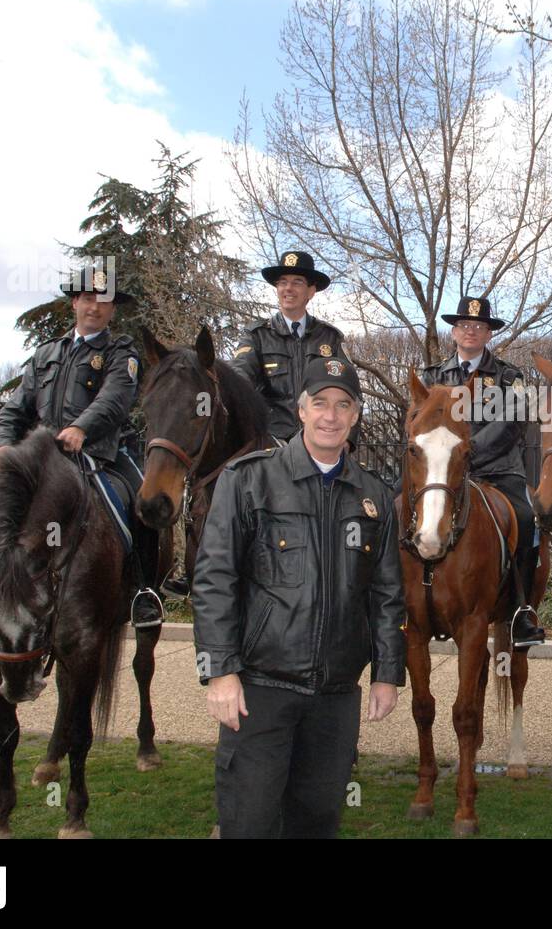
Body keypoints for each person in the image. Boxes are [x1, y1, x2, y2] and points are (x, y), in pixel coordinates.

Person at [193, 355, 406, 839]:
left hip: (334, 697)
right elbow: (215, 577)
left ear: (355, 416)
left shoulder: (373, 496)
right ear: (302, 409)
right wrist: (220, 671)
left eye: (343, 405)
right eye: (321, 404)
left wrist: (387, 674)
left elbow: (387, 592)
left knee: (316, 822)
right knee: (250, 820)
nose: (331, 415)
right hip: (260, 690)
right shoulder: (249, 480)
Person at [0, 266, 164, 627]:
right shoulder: (45, 354)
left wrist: (81, 428)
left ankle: (143, 591)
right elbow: (15, 408)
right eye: (88, 299)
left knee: (142, 503)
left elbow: (115, 398)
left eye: (104, 301)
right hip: (38, 460)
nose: (95, 307)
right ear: (75, 302)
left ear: (113, 310)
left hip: (98, 455)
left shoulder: (122, 351)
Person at [420, 295, 545, 648]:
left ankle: (522, 611)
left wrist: (468, 453)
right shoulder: (433, 376)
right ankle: (407, 602)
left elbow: (512, 423)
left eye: (478, 326)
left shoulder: (510, 377)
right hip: (443, 473)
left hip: (498, 472)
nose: (470, 331)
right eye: (464, 325)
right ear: (454, 332)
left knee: (526, 519)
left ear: (489, 334)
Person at [231, 250, 351, 441]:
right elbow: (238, 380)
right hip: (270, 443)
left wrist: (347, 442)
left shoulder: (330, 338)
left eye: (297, 282)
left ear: (311, 291)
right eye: (282, 282)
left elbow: (350, 391)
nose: (288, 288)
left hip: (320, 442)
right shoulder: (257, 336)